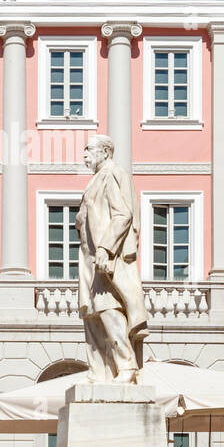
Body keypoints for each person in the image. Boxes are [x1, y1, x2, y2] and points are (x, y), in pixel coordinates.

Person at [75, 135, 149, 383]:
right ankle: (98, 372)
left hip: (104, 257)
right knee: (92, 314)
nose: (84, 154)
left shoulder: (111, 174)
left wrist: (106, 248)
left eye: (89, 149)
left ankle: (126, 366)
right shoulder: (95, 180)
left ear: (105, 152)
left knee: (108, 309)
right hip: (89, 259)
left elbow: (123, 214)